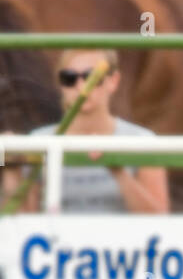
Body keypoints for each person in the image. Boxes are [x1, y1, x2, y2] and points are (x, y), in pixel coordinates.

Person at [24, 49, 168, 213]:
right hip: (57, 239)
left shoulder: (143, 141)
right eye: (69, 78)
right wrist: (9, 170)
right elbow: (20, 223)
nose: (81, 87)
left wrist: (118, 172)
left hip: (120, 239)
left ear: (113, 81)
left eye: (92, 77)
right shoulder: (37, 141)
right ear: (60, 85)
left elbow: (159, 220)